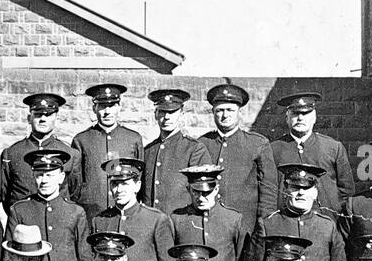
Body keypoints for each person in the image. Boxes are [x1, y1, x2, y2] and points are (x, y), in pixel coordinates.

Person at [245, 163, 346, 261]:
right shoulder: (268, 224)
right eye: (295, 187)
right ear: (285, 191)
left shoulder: (327, 226)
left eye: (307, 188)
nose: (301, 193)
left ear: (315, 193)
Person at [90, 156, 176, 261]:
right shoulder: (100, 220)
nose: (119, 190)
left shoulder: (156, 219)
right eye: (115, 184)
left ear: (137, 186)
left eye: (125, 184)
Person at [5, 148, 92, 261]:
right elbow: (8, 259)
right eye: (40, 175)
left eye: (50, 175)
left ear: (61, 177)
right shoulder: (19, 210)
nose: (44, 180)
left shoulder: (75, 212)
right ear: (34, 176)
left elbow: (85, 259)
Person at [197, 82, 279, 222]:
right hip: (209, 222)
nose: (225, 115)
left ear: (239, 112)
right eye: (220, 110)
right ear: (213, 112)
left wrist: (263, 225)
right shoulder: (202, 143)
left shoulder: (257, 144)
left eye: (230, 110)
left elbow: (268, 191)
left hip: (245, 224)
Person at [267, 92, 355, 220]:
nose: (300, 118)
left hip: (325, 225)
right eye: (295, 114)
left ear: (314, 118)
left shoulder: (332, 147)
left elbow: (346, 191)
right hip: (286, 224)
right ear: (287, 118)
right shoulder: (273, 149)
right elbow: (268, 190)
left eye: (305, 114)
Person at [169, 164, 247, 261]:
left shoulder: (233, 219)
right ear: (188, 189)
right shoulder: (177, 219)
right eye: (196, 192)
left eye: (206, 192)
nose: (201, 197)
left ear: (216, 189)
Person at [1, 92, 82, 210]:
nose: (43, 119)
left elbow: (74, 194)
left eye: (48, 115)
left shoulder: (70, 154)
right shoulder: (12, 153)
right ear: (29, 118)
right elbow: (5, 196)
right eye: (38, 114)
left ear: (56, 118)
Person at [72, 83, 144, 215]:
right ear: (94, 108)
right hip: (92, 212)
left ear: (119, 107)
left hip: (124, 212)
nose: (107, 112)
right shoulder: (81, 140)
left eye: (111, 106)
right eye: (102, 106)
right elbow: (75, 183)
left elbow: (139, 177)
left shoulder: (133, 138)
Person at [141, 88, 210, 217]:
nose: (166, 117)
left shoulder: (194, 149)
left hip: (180, 224)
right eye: (162, 112)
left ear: (181, 113)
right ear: (155, 114)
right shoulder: (148, 150)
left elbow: (202, 193)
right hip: (151, 225)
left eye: (172, 112)